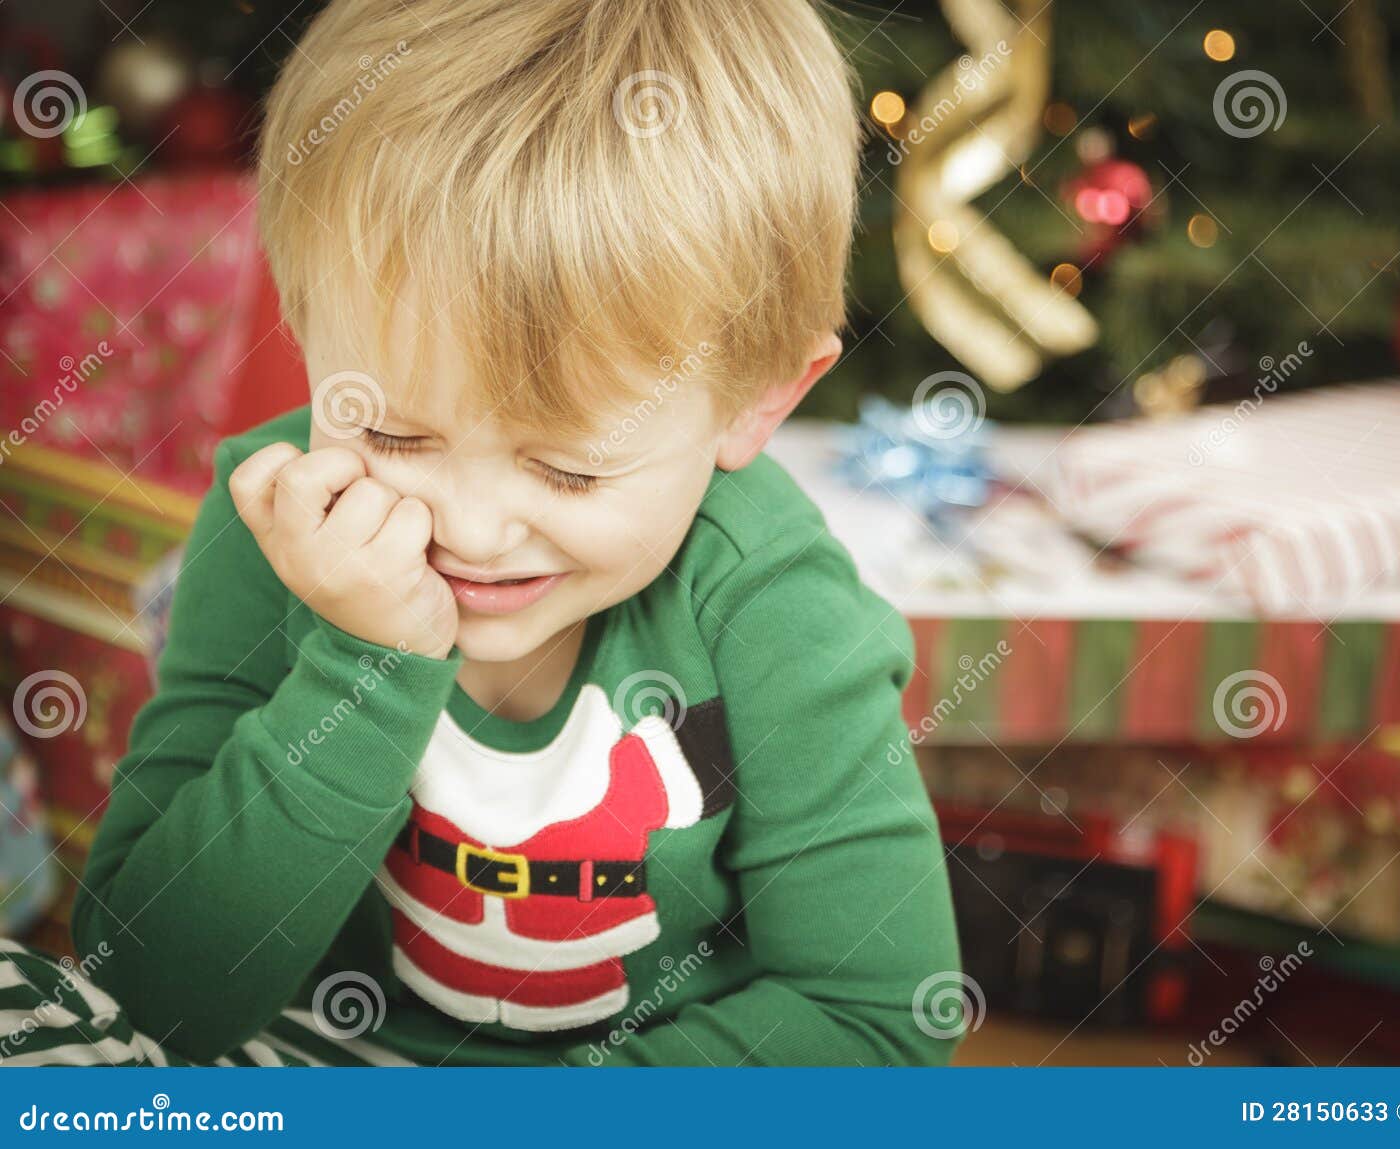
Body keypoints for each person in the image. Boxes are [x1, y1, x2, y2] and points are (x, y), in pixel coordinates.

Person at [4, 0, 961, 1067]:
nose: (469, 527)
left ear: (755, 403)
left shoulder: (774, 602)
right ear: (309, 330)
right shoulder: (278, 519)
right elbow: (147, 987)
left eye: (569, 466)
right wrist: (369, 661)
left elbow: (878, 1018)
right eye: (397, 433)